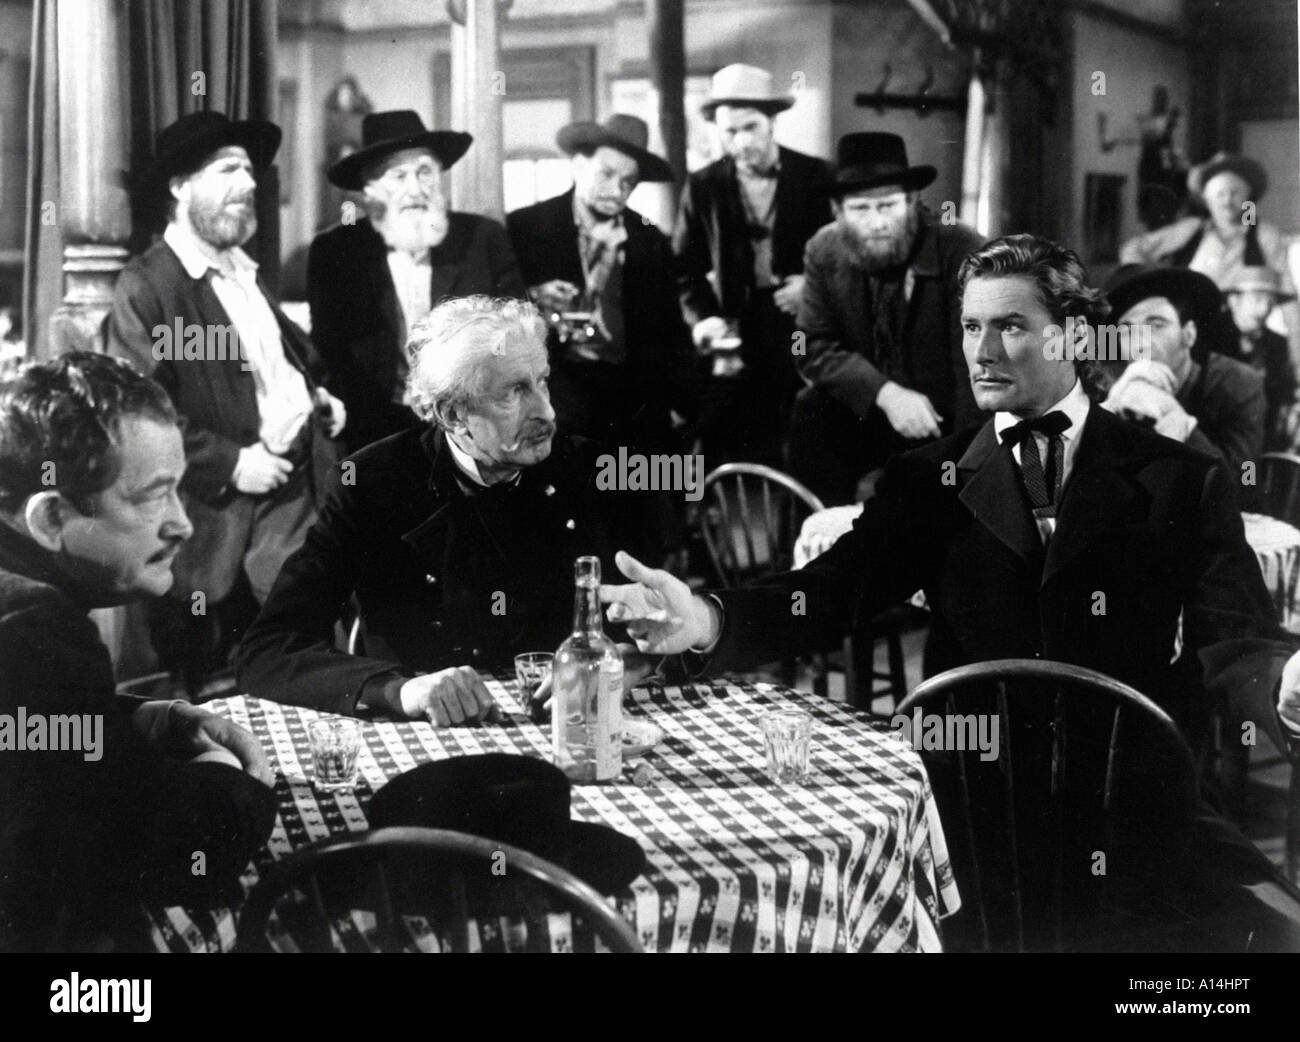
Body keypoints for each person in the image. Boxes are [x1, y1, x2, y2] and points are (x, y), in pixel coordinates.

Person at [601, 234, 1300, 952]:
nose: (982, 351)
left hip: (1136, 810)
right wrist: (706, 616)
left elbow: (1235, 636)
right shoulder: (929, 477)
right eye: (971, 327)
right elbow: (829, 592)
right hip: (968, 816)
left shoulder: (1178, 477)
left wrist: (1284, 680)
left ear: (1077, 336)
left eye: (1011, 326)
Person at [236, 296, 651, 724]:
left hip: (572, 724)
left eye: (542, 382)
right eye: (515, 392)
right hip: (431, 736)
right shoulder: (372, 483)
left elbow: (663, 621)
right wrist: (398, 689)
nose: (546, 412)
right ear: (453, 414)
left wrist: (628, 657)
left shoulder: (591, 470)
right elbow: (268, 649)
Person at [0, 352, 275, 952]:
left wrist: (138, 718)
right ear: (50, 519)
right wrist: (232, 784)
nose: (182, 525)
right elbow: (172, 847)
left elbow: (30, 740)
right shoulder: (34, 626)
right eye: (153, 498)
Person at [106, 111, 346, 696]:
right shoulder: (149, 286)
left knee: (315, 648)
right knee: (243, 682)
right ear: (179, 186)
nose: (249, 184)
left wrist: (318, 396)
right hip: (222, 519)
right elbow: (140, 416)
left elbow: (272, 365)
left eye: (251, 172)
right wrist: (236, 463)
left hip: (303, 483)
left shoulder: (244, 273)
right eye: (227, 170)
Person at [309, 110, 526, 454]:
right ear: (371, 191)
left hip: (470, 424)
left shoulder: (483, 239)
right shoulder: (336, 252)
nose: (415, 189)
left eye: (424, 172)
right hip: (372, 429)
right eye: (398, 176)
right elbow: (327, 350)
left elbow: (516, 335)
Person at [789, 132, 985, 505]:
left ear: (913, 202)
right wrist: (884, 392)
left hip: (946, 420)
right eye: (861, 209)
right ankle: (822, 537)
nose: (877, 222)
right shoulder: (823, 249)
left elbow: (979, 364)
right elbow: (810, 345)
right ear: (838, 211)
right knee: (810, 407)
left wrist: (967, 469)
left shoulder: (961, 248)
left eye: (889, 206)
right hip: (873, 412)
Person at [505, 114, 694, 457]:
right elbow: (495, 311)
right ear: (577, 166)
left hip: (632, 396)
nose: (618, 190)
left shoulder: (650, 240)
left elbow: (672, 332)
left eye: (629, 181)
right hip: (554, 391)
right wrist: (533, 299)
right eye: (606, 174)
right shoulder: (525, 228)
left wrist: (680, 404)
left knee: (661, 488)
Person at [673, 64, 834, 464]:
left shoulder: (816, 176)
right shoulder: (703, 185)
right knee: (728, 433)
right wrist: (704, 317)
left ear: (772, 123)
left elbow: (843, 258)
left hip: (802, 322)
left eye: (751, 128)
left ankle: (796, 519)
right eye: (730, 132)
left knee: (800, 430)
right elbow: (681, 268)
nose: (741, 142)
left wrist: (810, 288)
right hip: (734, 325)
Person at [1121, 151, 1299, 360]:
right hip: (1191, 335)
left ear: (1248, 197)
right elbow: (1133, 248)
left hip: (1244, 344)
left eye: (1235, 192)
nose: (1227, 200)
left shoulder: (1264, 235)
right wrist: (1151, 283)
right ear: (1206, 198)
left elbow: (1288, 299)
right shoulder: (1192, 230)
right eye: (1219, 193)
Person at [1102, 263, 1264, 477]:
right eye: (1127, 330)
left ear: (1189, 335)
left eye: (1156, 325)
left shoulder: (1239, 383)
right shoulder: (1112, 382)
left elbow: (1246, 479)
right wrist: (1108, 411)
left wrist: (1177, 422)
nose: (1140, 343)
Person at [1221, 265, 1298, 450]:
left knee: (1250, 476)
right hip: (1212, 436)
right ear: (1233, 301)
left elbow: (1284, 389)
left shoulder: (1277, 344)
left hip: (1256, 439)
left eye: (1270, 302)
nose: (1264, 309)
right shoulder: (1211, 335)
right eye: (1257, 299)